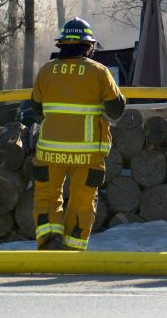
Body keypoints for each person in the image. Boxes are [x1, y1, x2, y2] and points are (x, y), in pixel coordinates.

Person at [28, 17, 125, 251]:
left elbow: (36, 107)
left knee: (47, 198)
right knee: (82, 202)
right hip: (87, 154)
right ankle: (72, 249)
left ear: (61, 44)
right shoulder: (99, 72)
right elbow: (115, 110)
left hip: (50, 152)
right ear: (88, 46)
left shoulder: (45, 71)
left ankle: (49, 241)